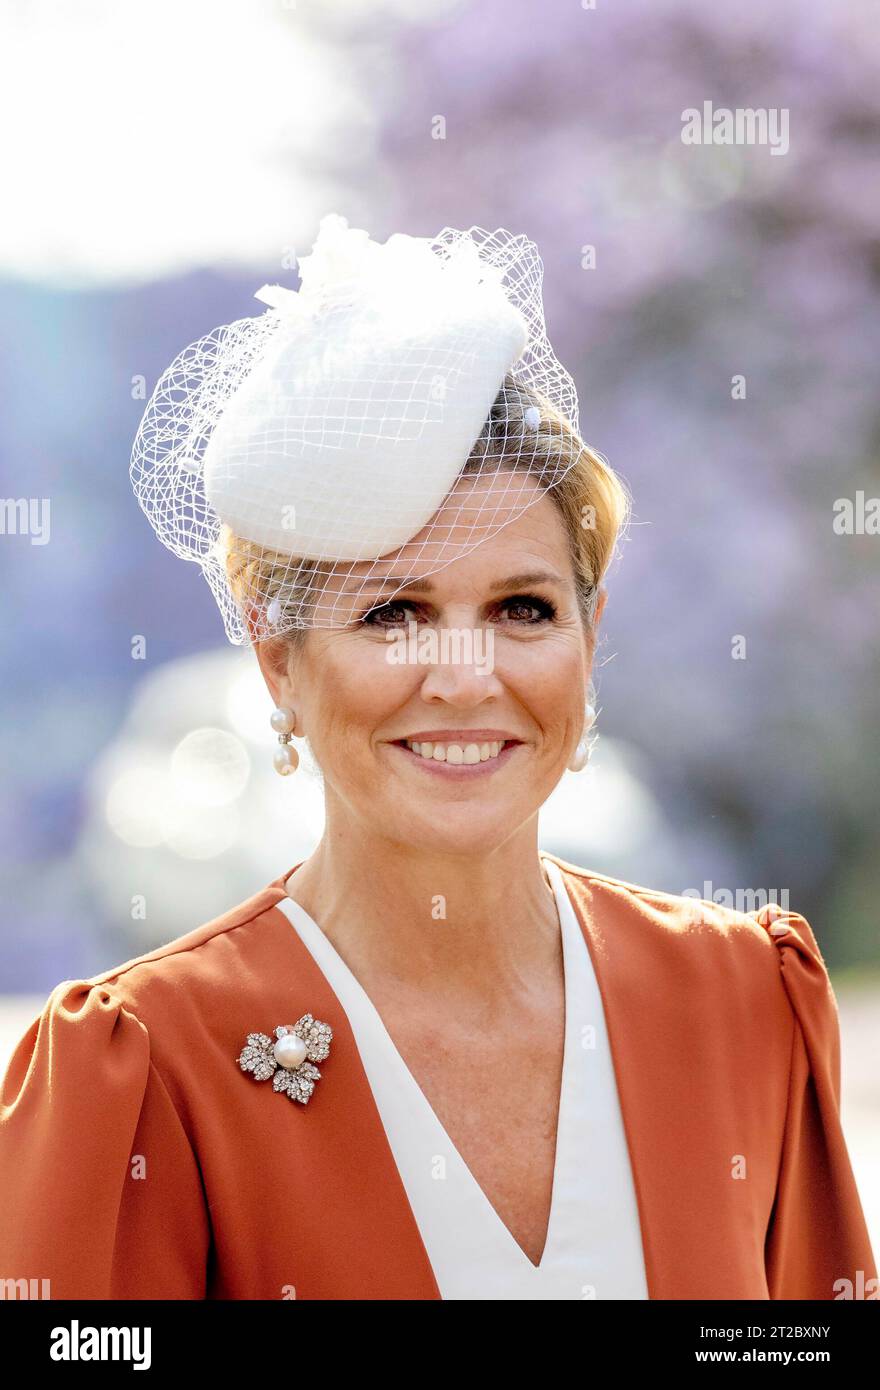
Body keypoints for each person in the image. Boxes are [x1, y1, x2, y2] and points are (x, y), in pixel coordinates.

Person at [0, 215, 874, 1301]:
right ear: (278, 657)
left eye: (521, 607)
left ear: (588, 640)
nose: (465, 677)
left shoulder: (746, 1002)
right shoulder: (142, 1072)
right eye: (393, 614)